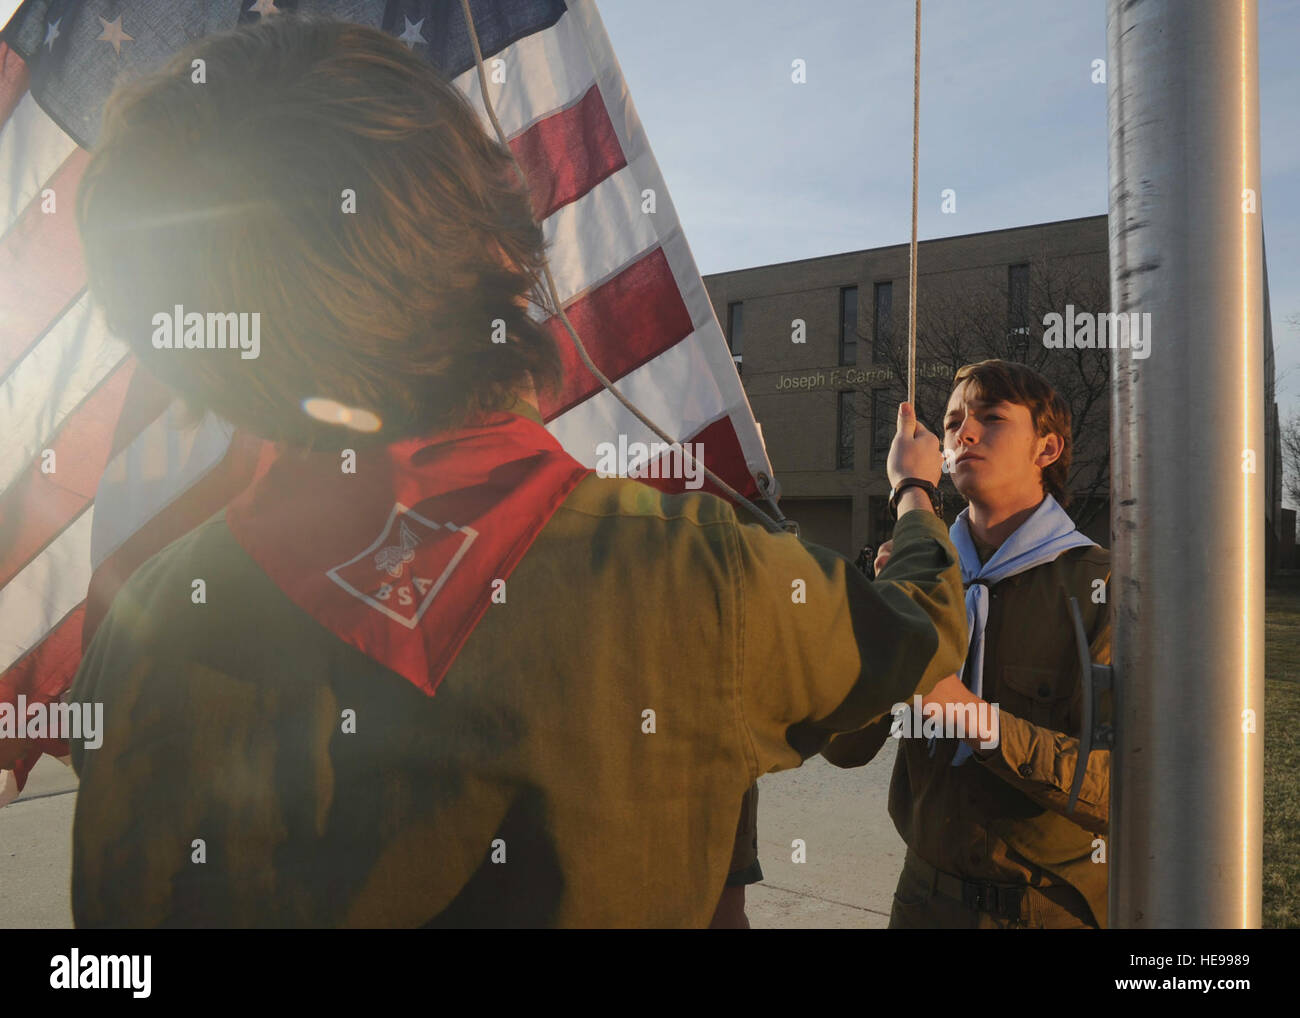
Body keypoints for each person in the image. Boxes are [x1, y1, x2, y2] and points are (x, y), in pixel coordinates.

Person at [66, 15, 968, 927]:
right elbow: (918, 636)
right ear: (497, 246)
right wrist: (914, 490)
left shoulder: (140, 632)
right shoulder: (709, 580)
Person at [823, 359, 1112, 929]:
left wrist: (971, 717)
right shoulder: (926, 574)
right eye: (953, 422)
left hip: (1052, 910)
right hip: (923, 902)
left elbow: (1116, 788)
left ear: (1047, 449)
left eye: (992, 418)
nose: (963, 433)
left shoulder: (1103, 587)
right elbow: (843, 747)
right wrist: (884, 618)